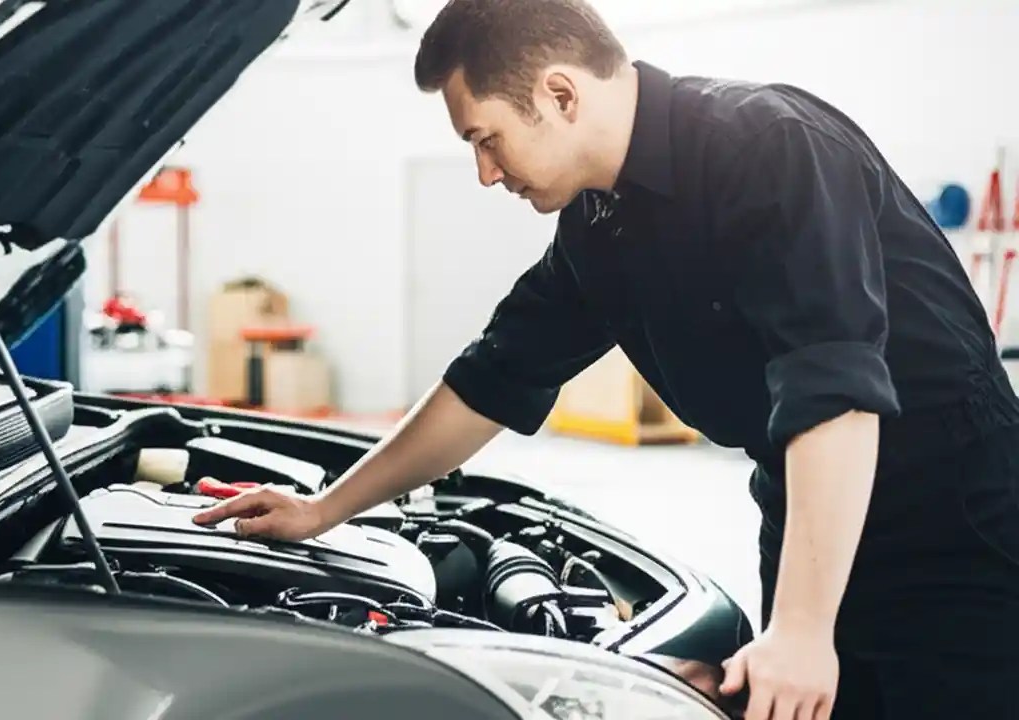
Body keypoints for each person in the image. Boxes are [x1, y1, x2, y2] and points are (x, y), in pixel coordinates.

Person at [194, 1, 1019, 717]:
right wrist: (323, 510)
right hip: (806, 506)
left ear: (559, 93)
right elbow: (490, 378)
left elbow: (835, 390)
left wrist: (802, 629)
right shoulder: (599, 228)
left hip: (953, 516)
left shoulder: (765, 146)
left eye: (487, 139)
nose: (485, 173)